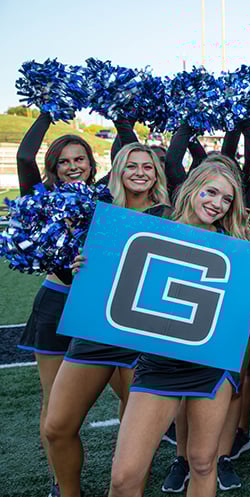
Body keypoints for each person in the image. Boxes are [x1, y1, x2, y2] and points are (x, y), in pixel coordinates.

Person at [106, 158, 250, 497]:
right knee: (124, 476)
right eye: (211, 192)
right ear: (192, 189)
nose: (218, 204)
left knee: (203, 463)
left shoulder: (234, 246)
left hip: (210, 366)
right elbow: (117, 275)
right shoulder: (156, 225)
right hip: (158, 363)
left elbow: (237, 315)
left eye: (227, 199)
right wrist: (86, 266)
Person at [43, 143, 171, 497]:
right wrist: (75, 265)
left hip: (141, 334)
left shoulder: (170, 215)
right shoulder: (96, 210)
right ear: (118, 170)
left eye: (147, 166)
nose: (140, 172)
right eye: (131, 165)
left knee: (135, 440)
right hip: (96, 327)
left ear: (157, 174)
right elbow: (71, 265)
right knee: (57, 427)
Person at [15, 112, 106, 497]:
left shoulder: (106, 194)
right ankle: (61, 483)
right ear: (53, 167)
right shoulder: (41, 199)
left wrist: (121, 116)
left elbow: (127, 149)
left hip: (101, 306)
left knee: (130, 390)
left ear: (91, 164)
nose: (72, 166)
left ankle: (131, 473)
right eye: (64, 161)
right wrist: (48, 111)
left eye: (79, 158)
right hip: (56, 302)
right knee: (53, 403)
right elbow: (24, 157)